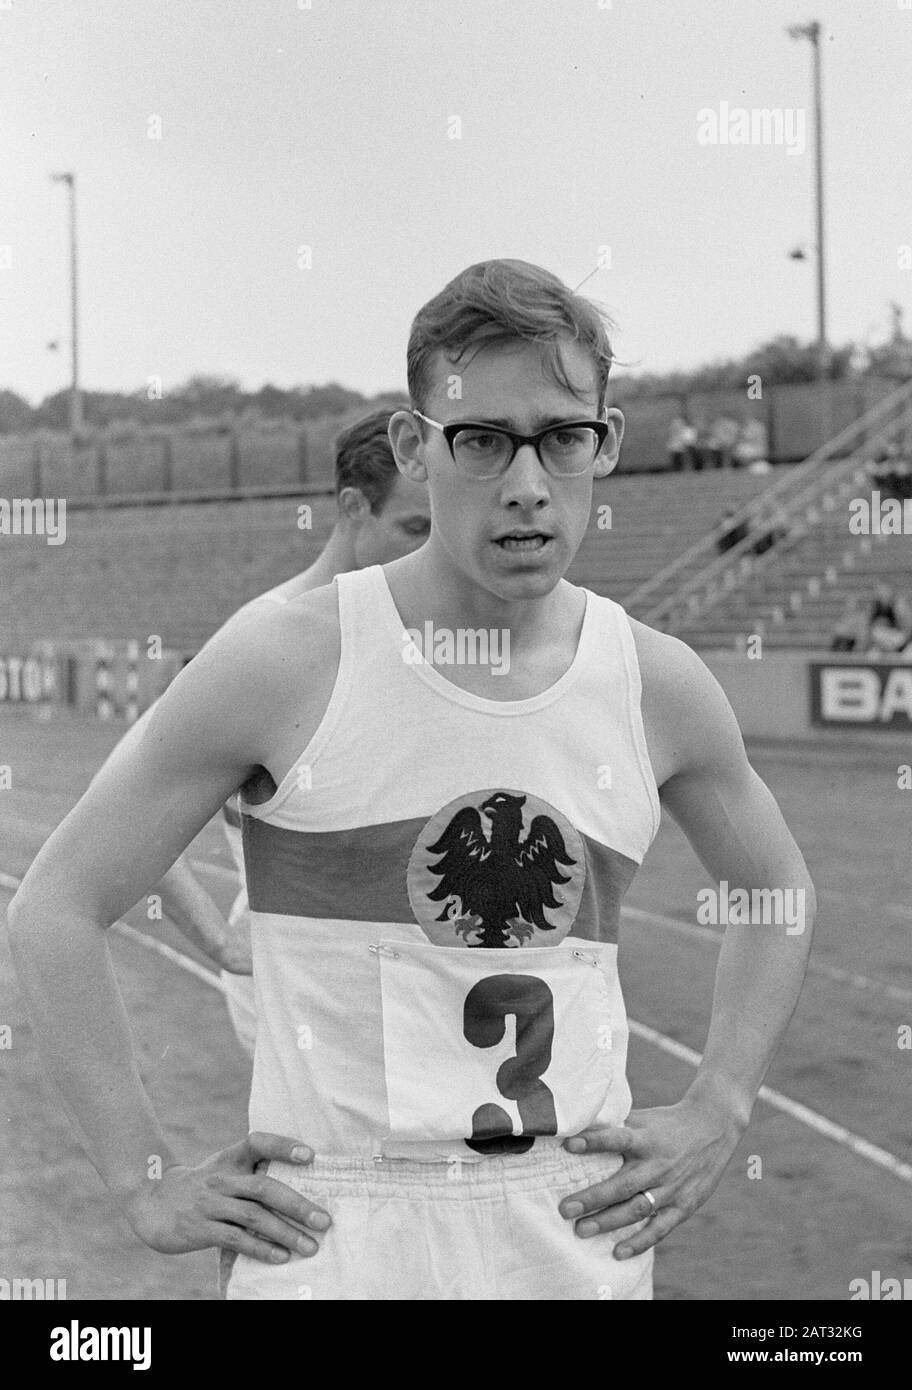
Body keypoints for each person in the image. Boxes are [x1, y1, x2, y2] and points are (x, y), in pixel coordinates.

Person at [9, 259, 816, 1302]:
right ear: (413, 447)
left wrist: (722, 1101)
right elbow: (58, 906)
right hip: (337, 1242)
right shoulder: (285, 659)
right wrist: (143, 1176)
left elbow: (777, 890)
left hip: (572, 1243)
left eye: (563, 435)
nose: (526, 482)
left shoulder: (655, 684)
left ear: (605, 444)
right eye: (481, 439)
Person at [97, 408, 432, 1056]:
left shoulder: (399, 625)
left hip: (396, 978)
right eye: (414, 528)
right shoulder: (265, 635)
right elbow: (118, 801)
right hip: (299, 989)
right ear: (354, 508)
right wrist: (221, 944)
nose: (429, 555)